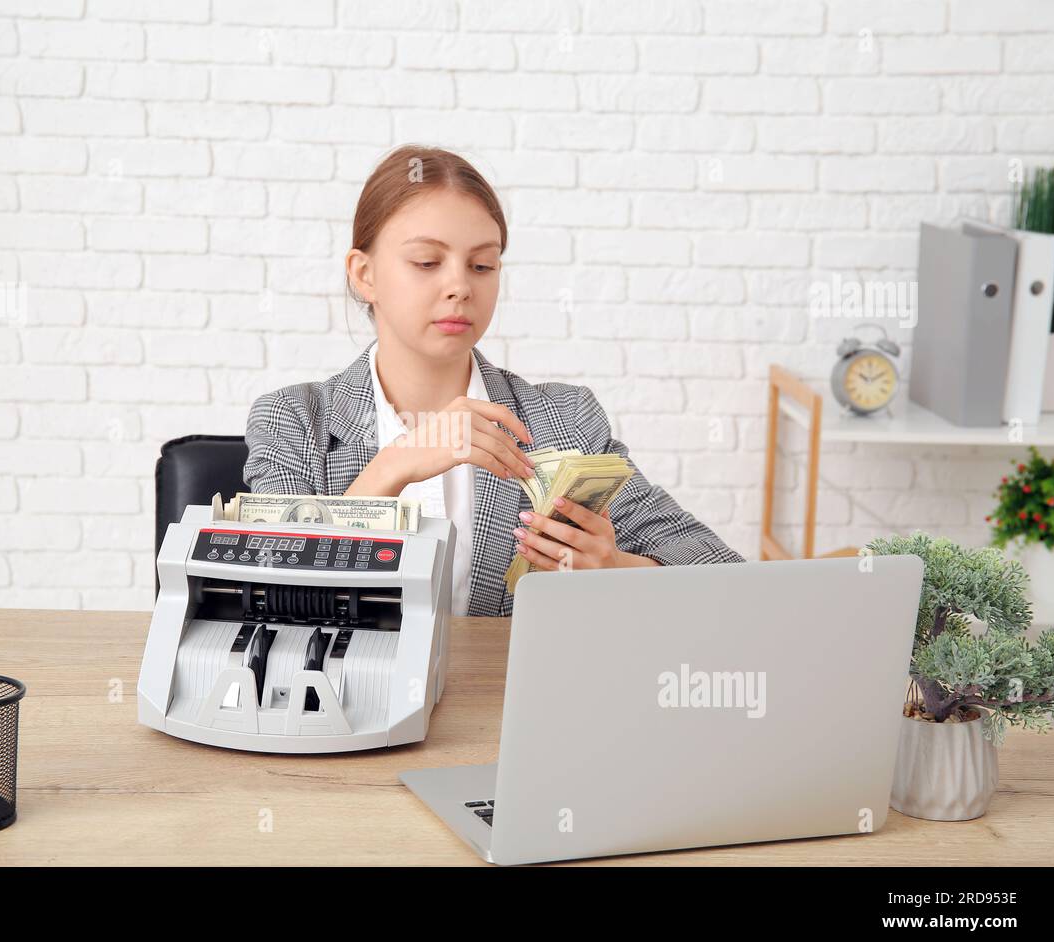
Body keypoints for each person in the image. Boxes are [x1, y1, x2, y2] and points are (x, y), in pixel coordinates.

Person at [244, 144, 743, 616]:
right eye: (427, 262)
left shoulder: (564, 421)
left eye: (483, 265)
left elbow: (724, 576)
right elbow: (264, 593)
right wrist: (391, 468)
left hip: (505, 701)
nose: (460, 286)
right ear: (364, 273)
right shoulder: (293, 420)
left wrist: (614, 569)